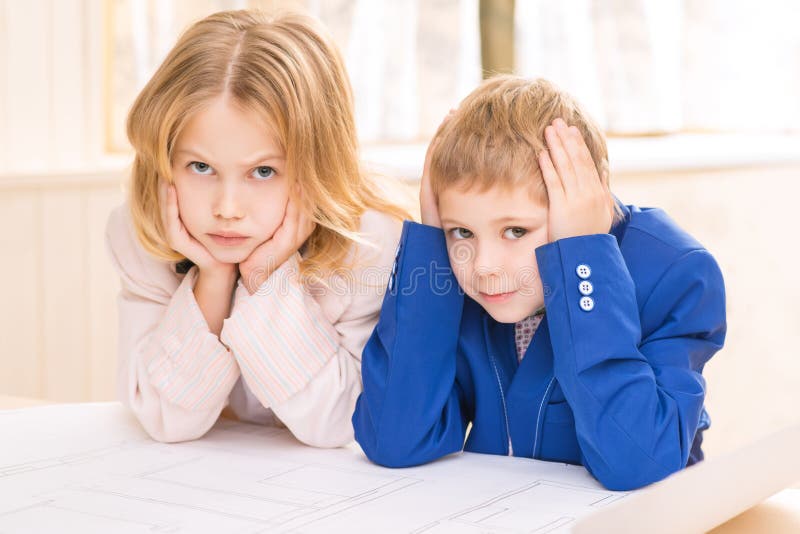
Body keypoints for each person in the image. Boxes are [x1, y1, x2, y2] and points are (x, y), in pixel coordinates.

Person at [353, 75, 727, 490]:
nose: (485, 267)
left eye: (515, 231)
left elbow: (638, 462)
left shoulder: (677, 274)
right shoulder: (458, 273)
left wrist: (582, 258)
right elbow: (395, 439)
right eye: (462, 231)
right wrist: (430, 246)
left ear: (588, 201)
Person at [105, 9, 407, 446]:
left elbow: (343, 422)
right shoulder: (141, 233)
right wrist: (212, 282)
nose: (227, 209)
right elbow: (165, 418)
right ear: (163, 160)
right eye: (201, 166)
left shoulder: (371, 243)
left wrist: (264, 277)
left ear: (315, 168)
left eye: (263, 172)